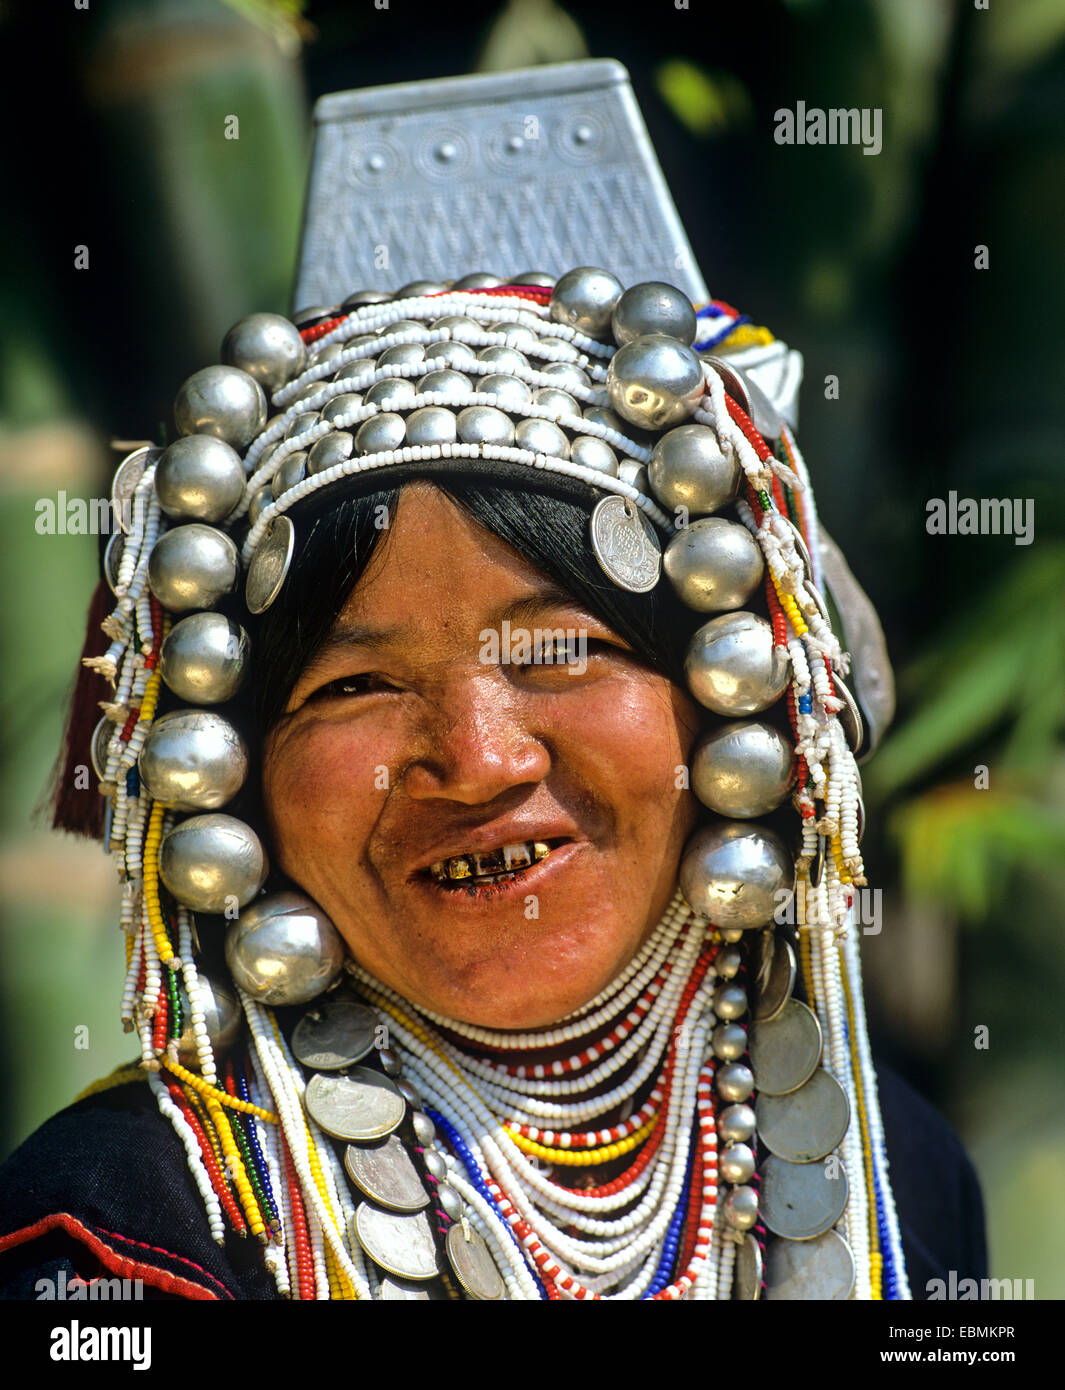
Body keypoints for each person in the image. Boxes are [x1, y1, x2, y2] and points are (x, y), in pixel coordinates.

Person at [0, 270, 985, 1300]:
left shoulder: (892, 1182)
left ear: (728, 703)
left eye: (560, 650)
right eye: (357, 684)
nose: (476, 760)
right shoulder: (121, 1235)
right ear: (236, 779)